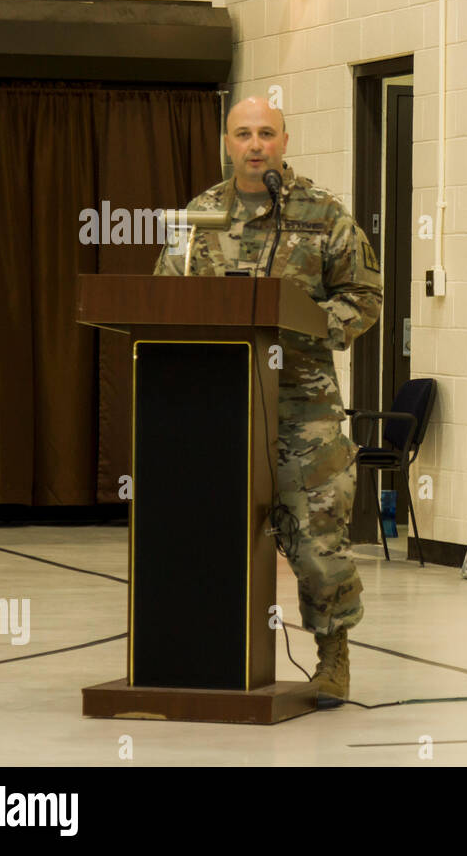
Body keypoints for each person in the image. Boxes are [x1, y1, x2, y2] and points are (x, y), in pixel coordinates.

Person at [153, 97, 382, 703]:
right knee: (207, 540)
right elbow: (161, 297)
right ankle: (206, 653)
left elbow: (364, 299)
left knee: (318, 544)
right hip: (218, 406)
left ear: (285, 141)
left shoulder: (324, 215)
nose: (255, 145)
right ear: (227, 143)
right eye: (243, 134)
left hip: (303, 412)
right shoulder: (199, 215)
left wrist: (302, 322)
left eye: (267, 134)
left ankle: (333, 655)